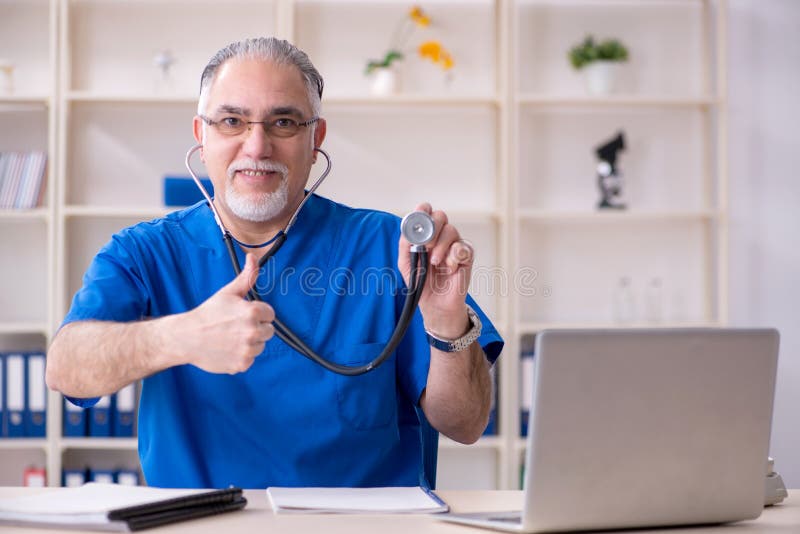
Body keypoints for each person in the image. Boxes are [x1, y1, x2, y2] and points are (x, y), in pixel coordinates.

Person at [46, 37, 503, 489]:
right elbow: (66, 370)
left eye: (283, 122)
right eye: (232, 121)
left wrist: (446, 324)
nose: (257, 146)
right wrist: (179, 336)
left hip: (363, 522)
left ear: (315, 138)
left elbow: (466, 424)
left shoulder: (390, 248)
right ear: (201, 137)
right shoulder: (144, 253)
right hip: (202, 522)